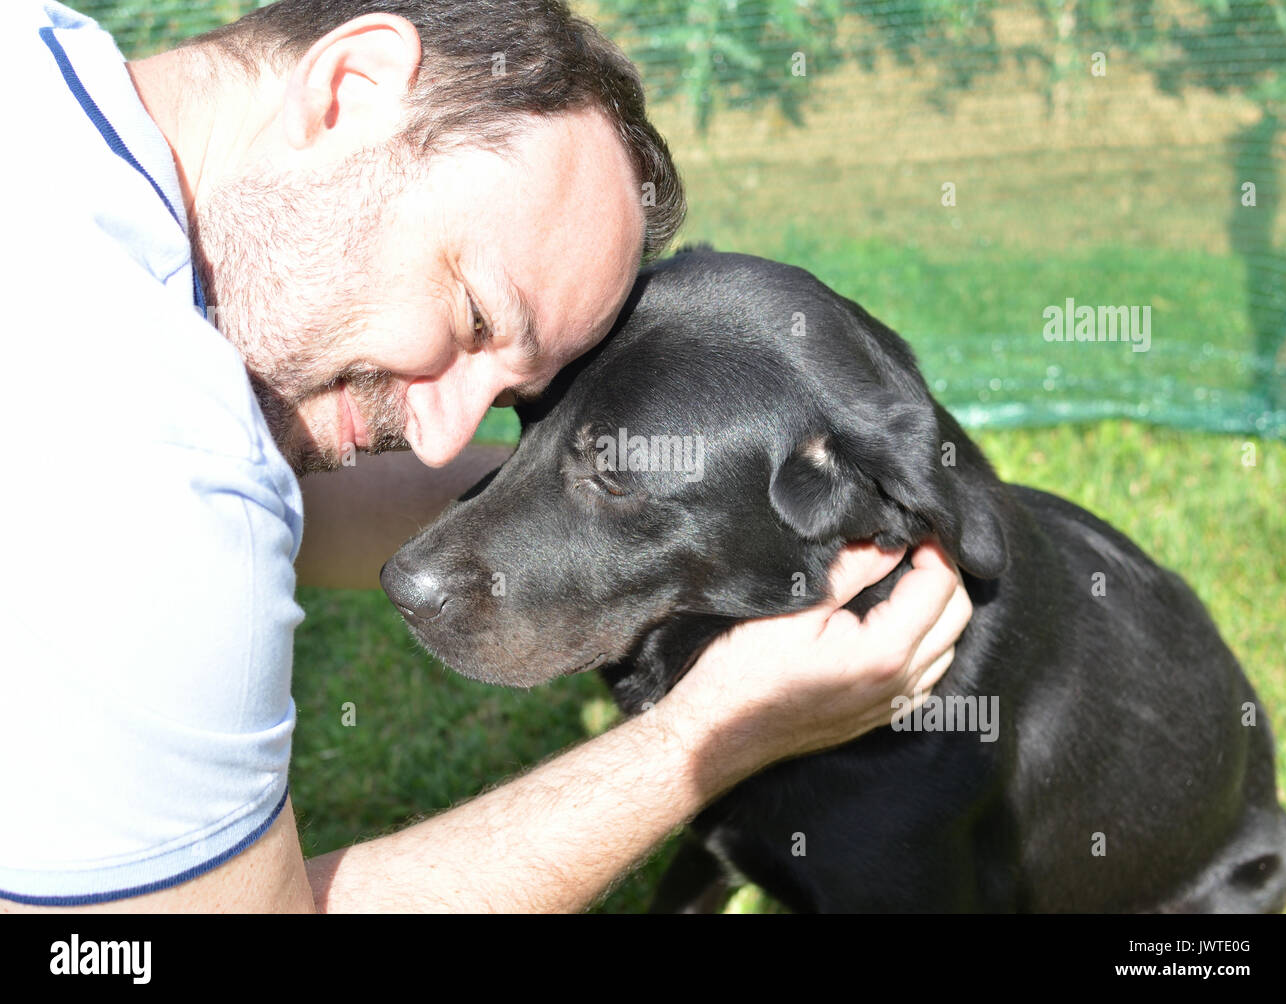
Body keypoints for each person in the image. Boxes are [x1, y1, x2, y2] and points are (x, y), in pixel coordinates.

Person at [0, 0, 972, 913]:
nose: (440, 436)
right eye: (472, 317)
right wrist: (707, 734)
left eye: (510, 401)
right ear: (351, 91)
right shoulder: (142, 456)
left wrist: (601, 510)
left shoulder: (43, 62)